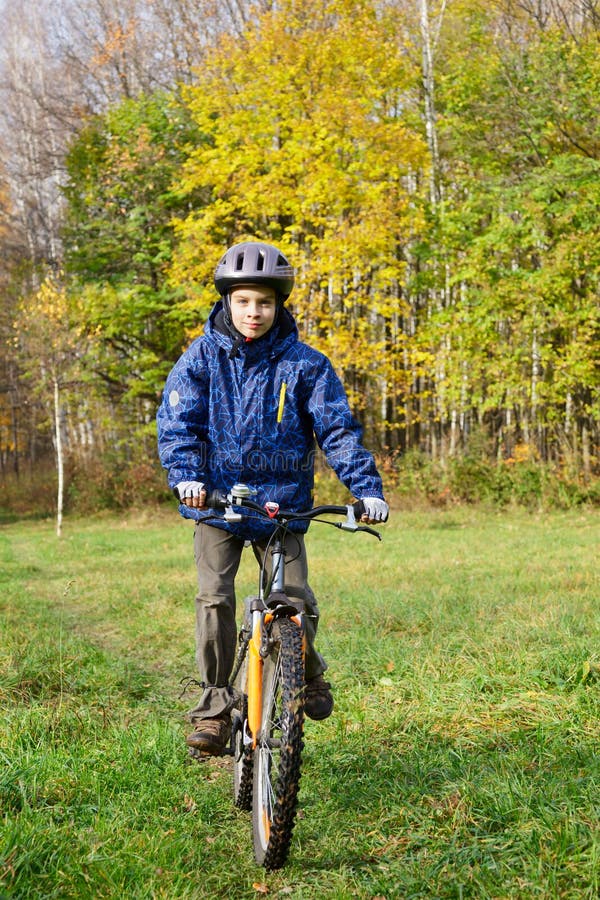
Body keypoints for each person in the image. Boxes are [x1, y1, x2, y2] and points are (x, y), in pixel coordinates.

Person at [157, 240, 389, 755]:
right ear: (226, 302)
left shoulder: (306, 365)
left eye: (263, 302)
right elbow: (178, 425)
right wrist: (187, 477)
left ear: (278, 304)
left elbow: (338, 431)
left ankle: (303, 669)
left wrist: (366, 488)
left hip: (283, 505)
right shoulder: (201, 359)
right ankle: (215, 708)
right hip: (216, 504)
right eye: (243, 301)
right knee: (214, 597)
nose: (253, 312)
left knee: (295, 602)